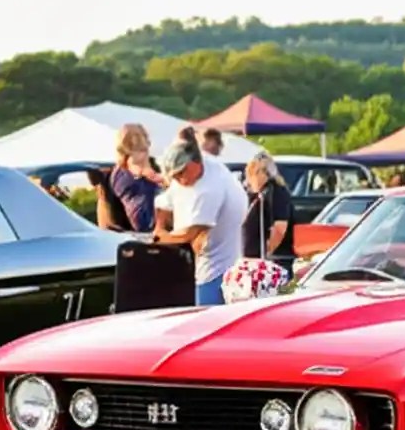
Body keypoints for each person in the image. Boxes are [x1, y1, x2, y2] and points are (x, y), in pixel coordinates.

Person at [154, 129, 249, 306]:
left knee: (208, 314)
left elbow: (191, 235)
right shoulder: (186, 171)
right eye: (174, 176)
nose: (178, 180)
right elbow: (164, 202)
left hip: (216, 270)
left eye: (180, 174)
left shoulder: (209, 191)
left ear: (195, 164)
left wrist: (159, 240)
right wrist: (159, 227)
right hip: (196, 265)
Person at [241, 150, 296, 275]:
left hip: (272, 263)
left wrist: (267, 252)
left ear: (263, 173)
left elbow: (280, 228)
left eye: (253, 172)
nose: (249, 177)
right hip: (252, 261)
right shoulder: (255, 194)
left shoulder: (276, 192)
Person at [109, 123, 163, 234]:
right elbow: (155, 178)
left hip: (141, 219)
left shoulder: (118, 172)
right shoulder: (136, 162)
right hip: (149, 218)